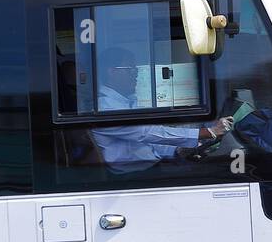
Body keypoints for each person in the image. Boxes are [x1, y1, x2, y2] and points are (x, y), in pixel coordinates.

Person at [89, 47, 233, 173]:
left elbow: (150, 141)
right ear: (112, 72)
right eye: (131, 70)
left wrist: (177, 151)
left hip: (153, 165)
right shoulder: (105, 108)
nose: (136, 74)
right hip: (136, 175)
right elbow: (147, 133)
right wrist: (208, 133)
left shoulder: (125, 101)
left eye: (136, 69)